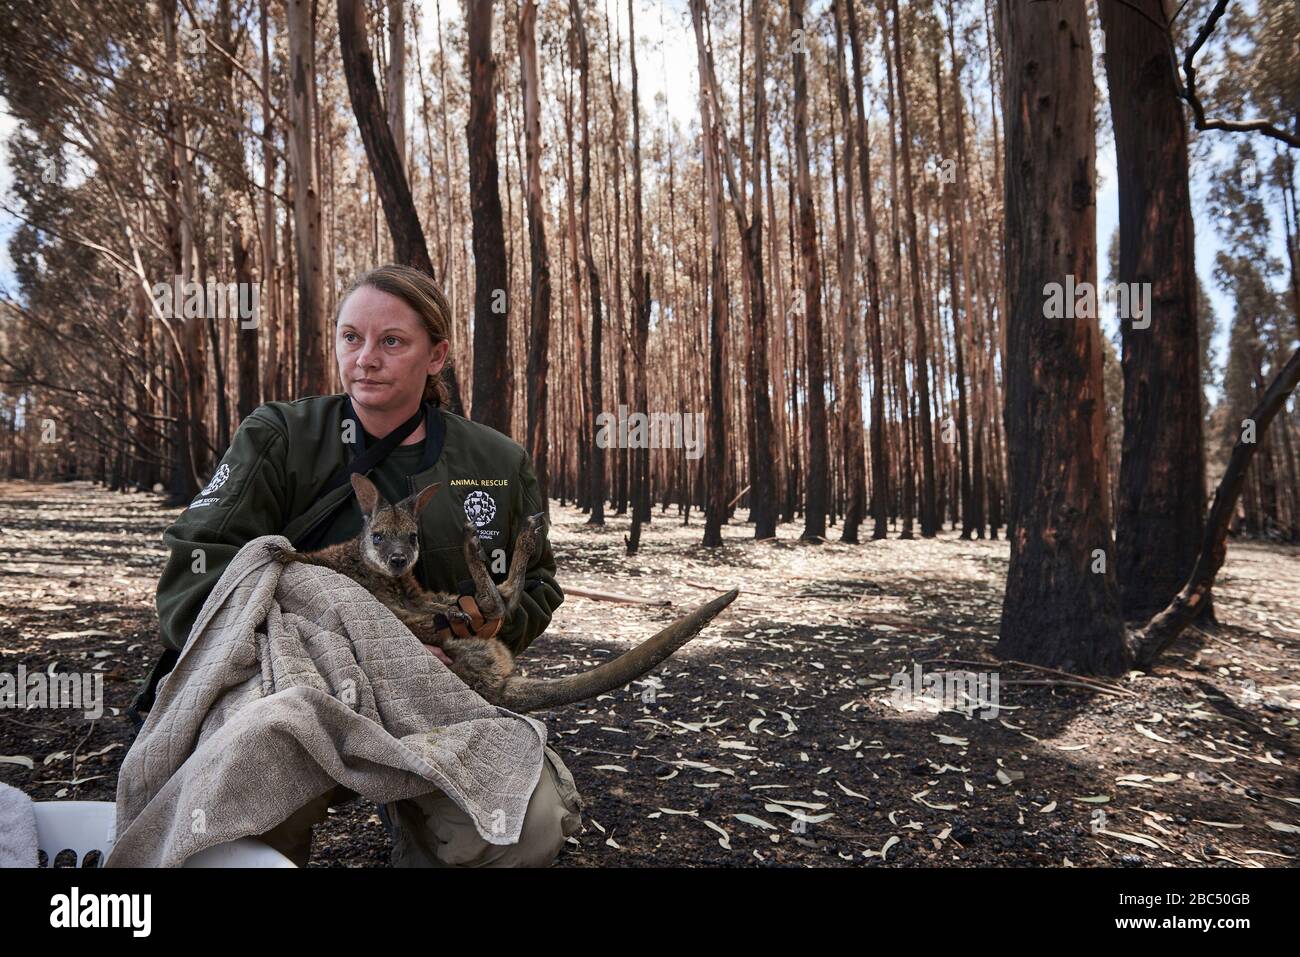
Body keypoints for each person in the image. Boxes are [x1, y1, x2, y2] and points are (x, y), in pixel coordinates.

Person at [144, 263, 581, 866]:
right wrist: (338, 650)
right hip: (290, 692)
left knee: (525, 828)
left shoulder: (495, 460)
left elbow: (538, 584)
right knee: (230, 824)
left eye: (391, 341)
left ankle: (426, 837)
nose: (366, 358)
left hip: (432, 697)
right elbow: (194, 578)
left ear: (436, 356)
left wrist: (476, 634)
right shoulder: (281, 438)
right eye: (351, 337)